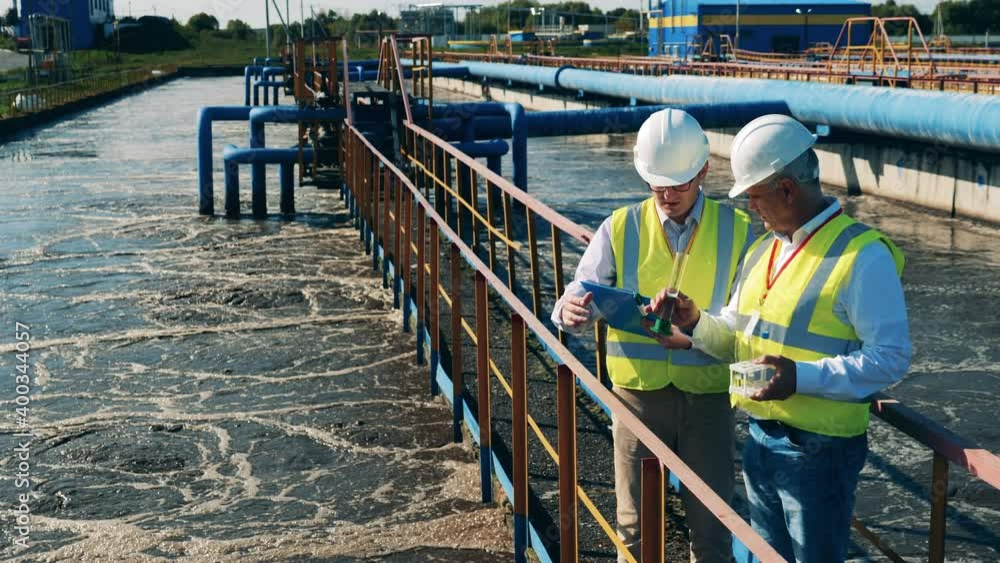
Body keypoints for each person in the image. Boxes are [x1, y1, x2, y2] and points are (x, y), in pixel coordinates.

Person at [650, 114, 912, 562]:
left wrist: (800, 378)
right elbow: (737, 334)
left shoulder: (862, 256)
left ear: (787, 189)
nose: (752, 208)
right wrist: (696, 323)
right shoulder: (764, 249)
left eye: (755, 197)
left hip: (820, 452)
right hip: (760, 437)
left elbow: (891, 358)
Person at [551, 108, 753, 563]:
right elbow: (572, 296)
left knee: (713, 530)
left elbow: (746, 330)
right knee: (634, 532)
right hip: (636, 400)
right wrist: (569, 311)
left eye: (680, 182)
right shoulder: (619, 227)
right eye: (658, 182)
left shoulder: (738, 231)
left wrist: (692, 331)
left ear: (704, 170)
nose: (668, 193)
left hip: (708, 399)